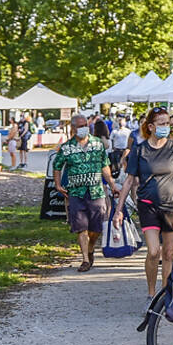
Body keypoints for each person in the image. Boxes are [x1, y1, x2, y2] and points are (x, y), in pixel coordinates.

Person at [117, 107, 173, 294]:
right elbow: (128, 181)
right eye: (162, 124)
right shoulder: (139, 150)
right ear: (151, 127)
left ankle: (165, 295)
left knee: (169, 253)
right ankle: (152, 293)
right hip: (148, 206)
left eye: (167, 123)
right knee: (153, 252)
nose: (166, 127)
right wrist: (119, 209)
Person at [52, 112, 116, 271]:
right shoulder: (67, 147)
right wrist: (58, 184)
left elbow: (104, 165)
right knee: (81, 227)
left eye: (85, 125)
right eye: (80, 126)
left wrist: (113, 185)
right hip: (76, 192)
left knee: (96, 228)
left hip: (96, 191)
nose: (83, 129)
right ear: (73, 128)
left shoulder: (97, 144)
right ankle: (85, 260)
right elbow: (57, 166)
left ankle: (91, 248)